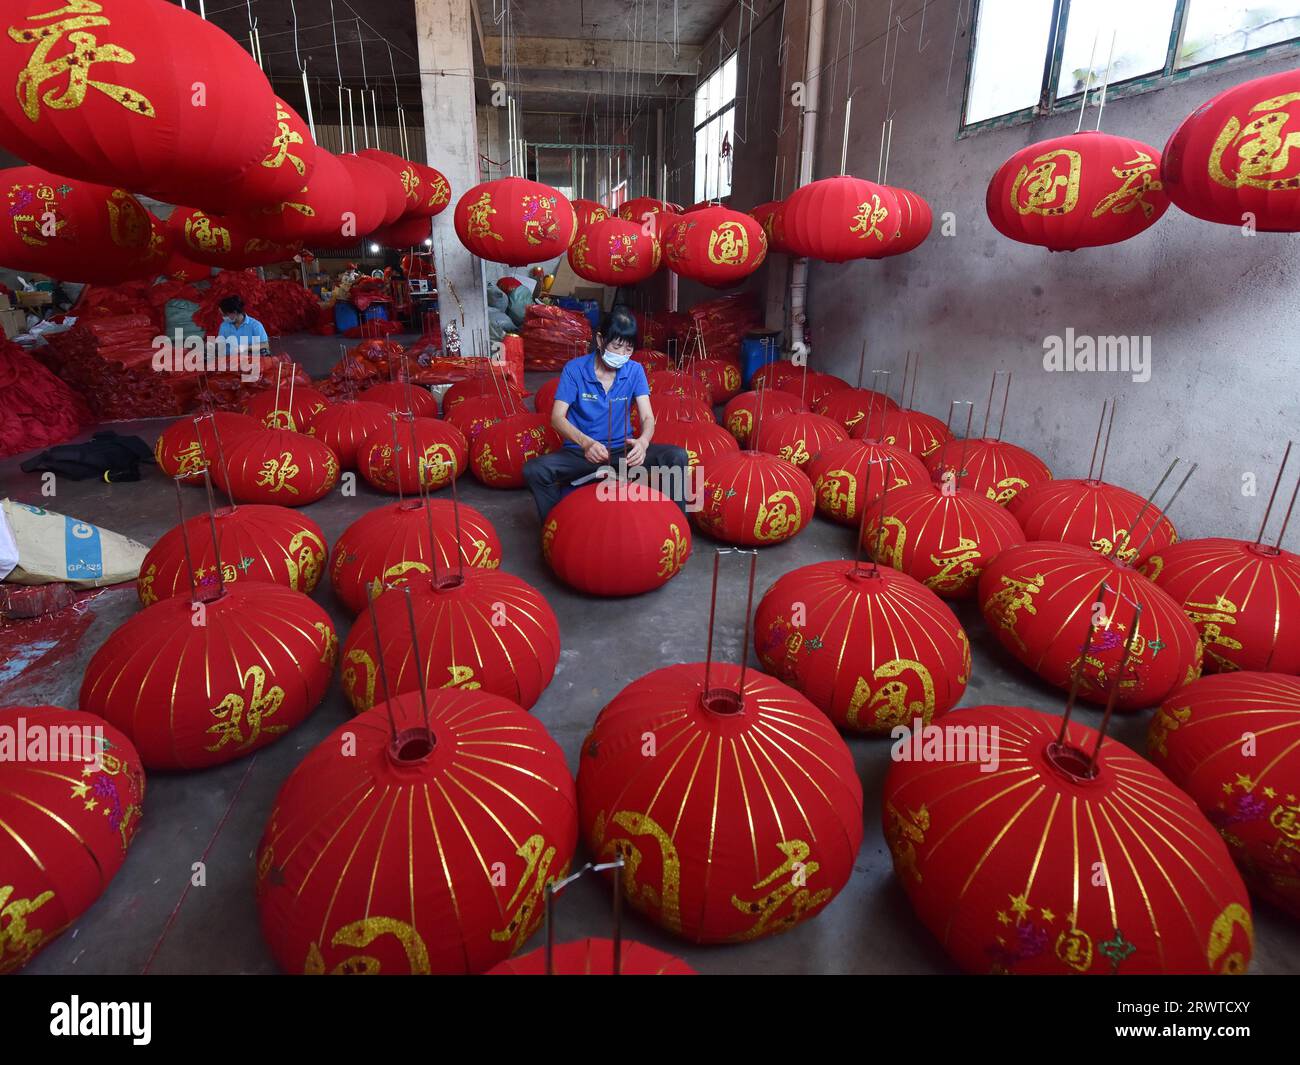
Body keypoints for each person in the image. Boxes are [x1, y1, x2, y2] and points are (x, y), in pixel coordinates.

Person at [523, 306, 692, 521]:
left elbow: (647, 417)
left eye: (628, 349)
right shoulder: (575, 369)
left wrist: (643, 442)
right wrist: (586, 444)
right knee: (535, 470)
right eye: (617, 346)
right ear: (601, 340)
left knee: (676, 456)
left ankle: (676, 524)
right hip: (582, 454)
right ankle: (556, 526)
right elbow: (557, 418)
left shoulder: (635, 371)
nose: (622, 355)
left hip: (623, 453)